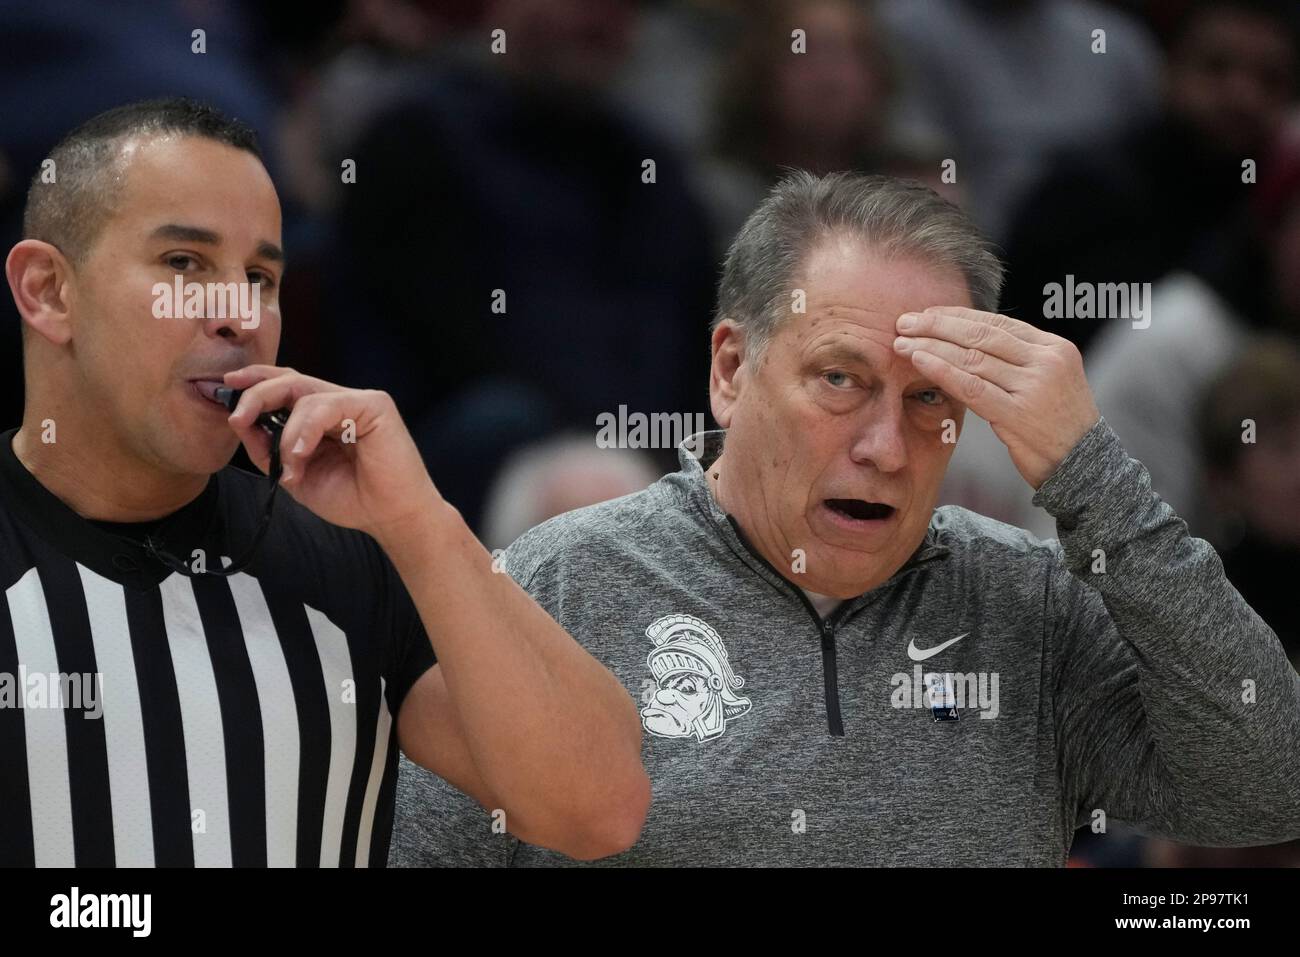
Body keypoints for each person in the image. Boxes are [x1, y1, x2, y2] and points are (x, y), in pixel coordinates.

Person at [392, 171, 1300, 866]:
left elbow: (1266, 786)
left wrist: (1093, 476)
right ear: (731, 370)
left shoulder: (1031, 602)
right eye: (840, 379)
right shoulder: (552, 585)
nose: (887, 448)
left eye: (928, 399)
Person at [0, 97, 649, 867]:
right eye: (184, 263)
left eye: (262, 276)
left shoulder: (345, 562)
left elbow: (598, 811)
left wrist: (420, 522)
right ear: (47, 289)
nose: (239, 314)